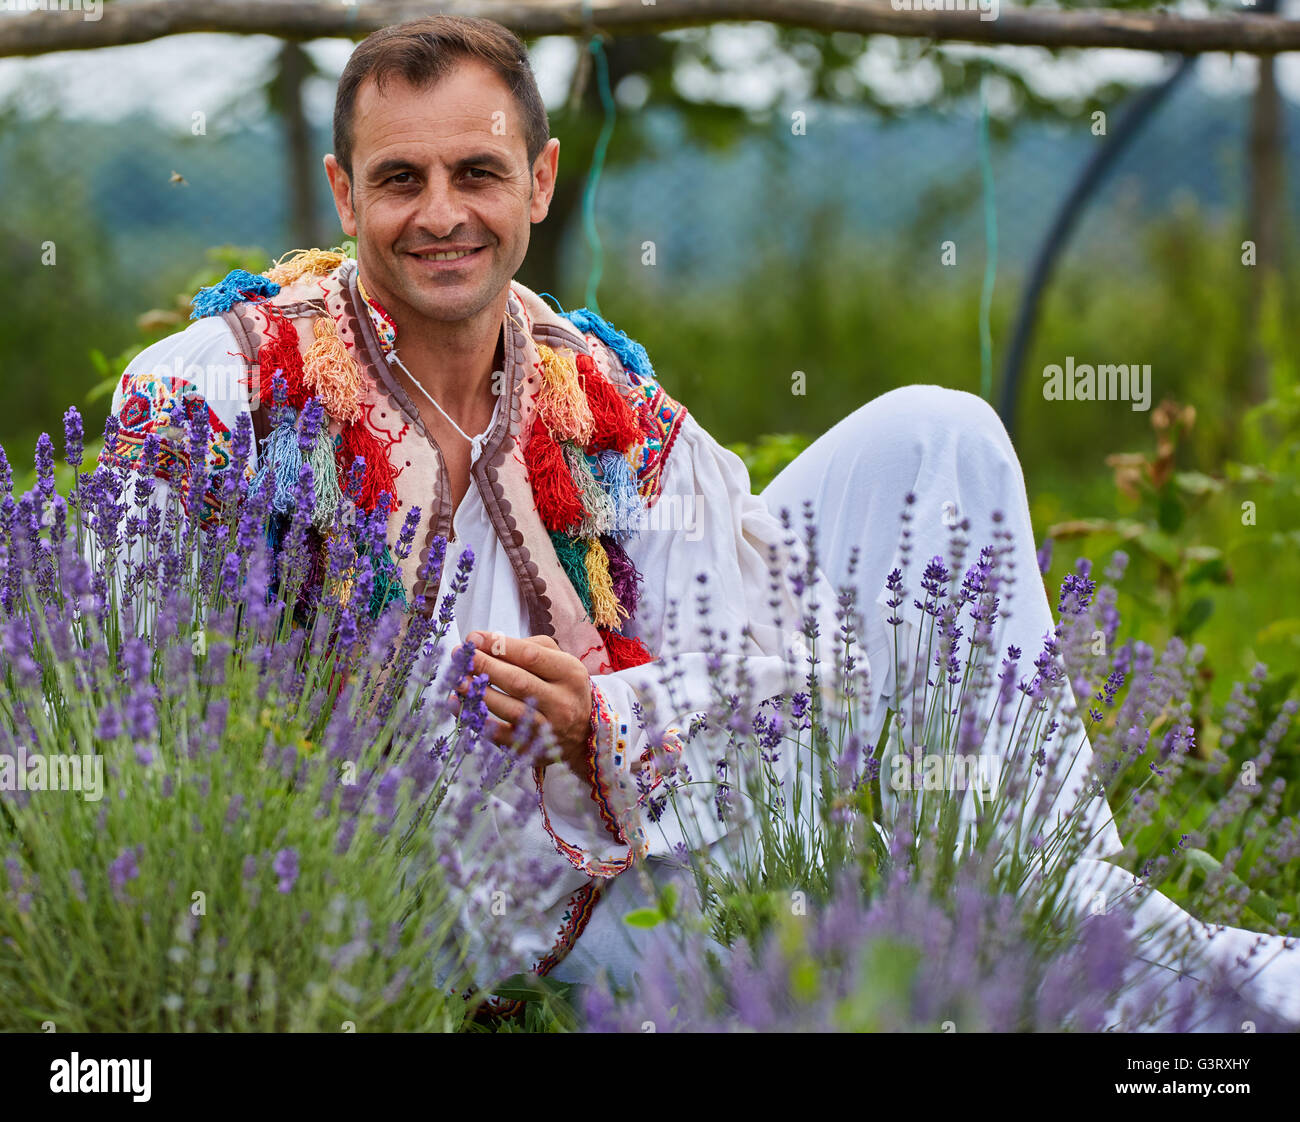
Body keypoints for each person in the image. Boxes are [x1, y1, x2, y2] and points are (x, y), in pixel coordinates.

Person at [95, 15, 1297, 1026]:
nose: (441, 214)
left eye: (479, 174)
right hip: (393, 886)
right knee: (839, 954)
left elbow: (751, 665)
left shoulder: (592, 396)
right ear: (344, 190)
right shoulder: (227, 387)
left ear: (541, 181)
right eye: (401, 179)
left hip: (634, 836)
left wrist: (596, 719)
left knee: (941, 434)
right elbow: (128, 681)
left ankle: (1041, 887)